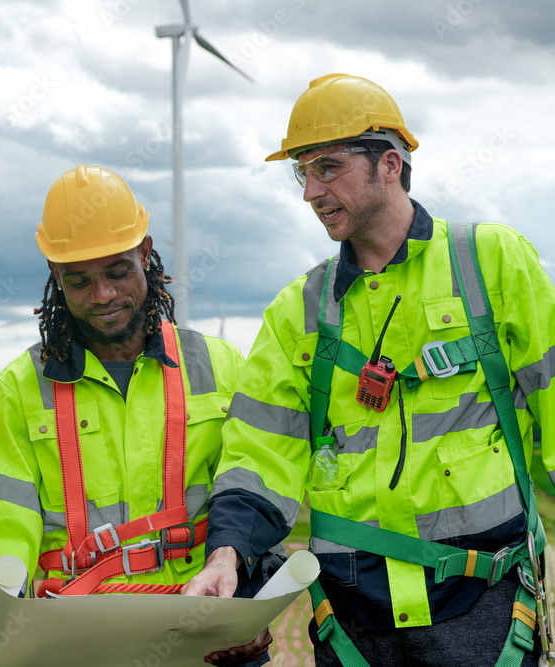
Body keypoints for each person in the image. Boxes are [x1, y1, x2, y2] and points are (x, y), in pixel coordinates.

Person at [183, 73, 555, 666]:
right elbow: (259, 452)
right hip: (352, 626)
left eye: (328, 167)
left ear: (390, 164)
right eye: (301, 172)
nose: (310, 191)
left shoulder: (492, 264)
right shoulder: (296, 312)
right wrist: (227, 553)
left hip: (486, 611)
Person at [0, 165, 274, 666]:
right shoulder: (18, 389)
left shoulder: (223, 368)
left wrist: (249, 608)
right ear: (56, 275)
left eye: (118, 271)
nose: (102, 295)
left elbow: (249, 496)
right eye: (79, 281)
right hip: (77, 642)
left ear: (145, 253)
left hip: (203, 639)